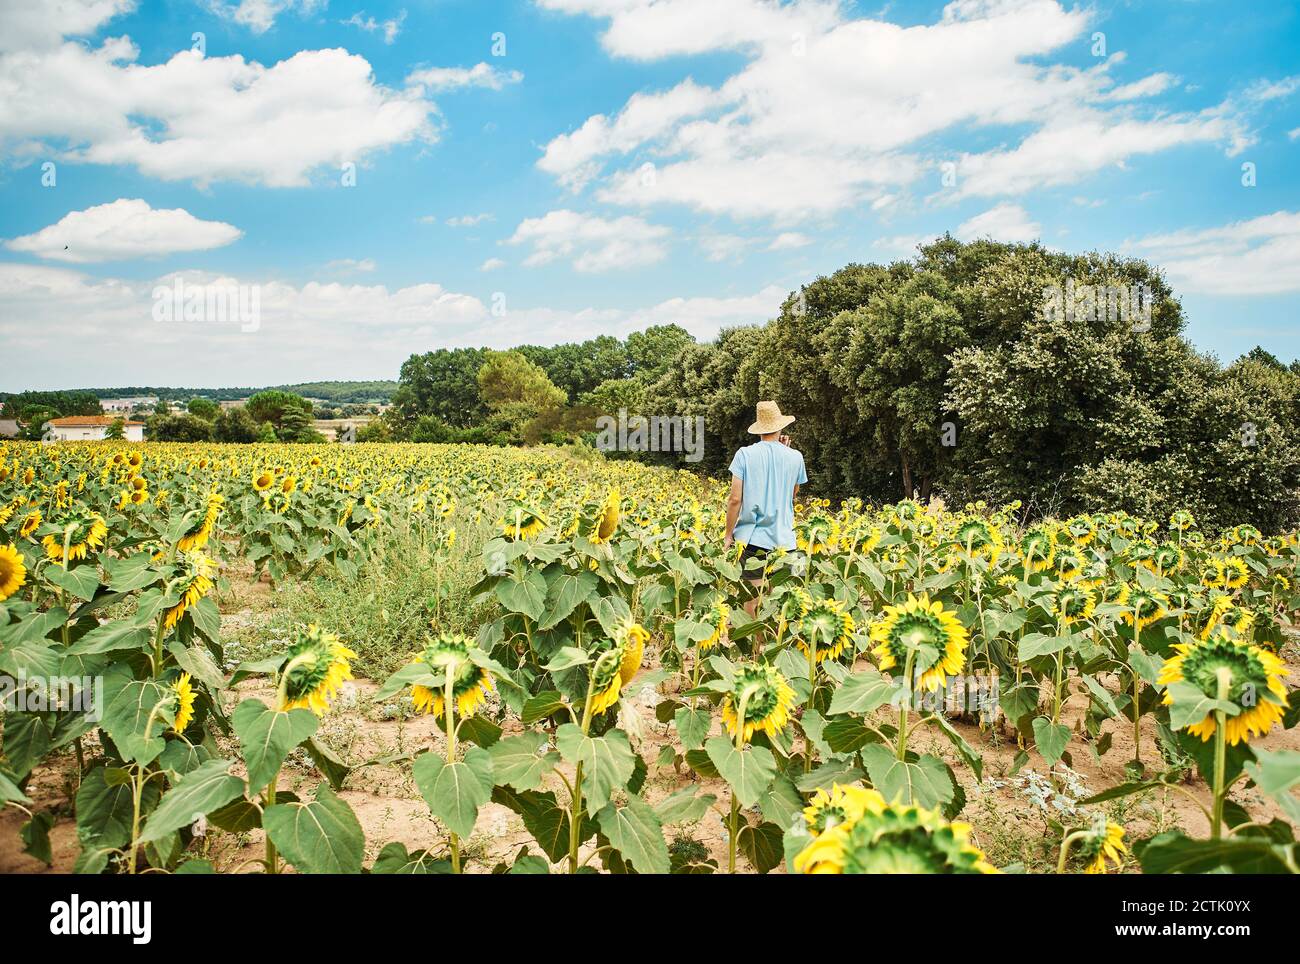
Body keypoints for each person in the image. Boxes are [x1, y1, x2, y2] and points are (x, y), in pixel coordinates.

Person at [723, 401, 808, 615]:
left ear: (759, 428)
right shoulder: (795, 457)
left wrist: (727, 535)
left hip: (752, 540)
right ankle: (774, 645)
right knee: (783, 602)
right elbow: (792, 494)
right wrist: (784, 453)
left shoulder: (744, 454)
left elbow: (735, 499)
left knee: (752, 599)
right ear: (780, 427)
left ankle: (754, 647)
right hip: (785, 540)